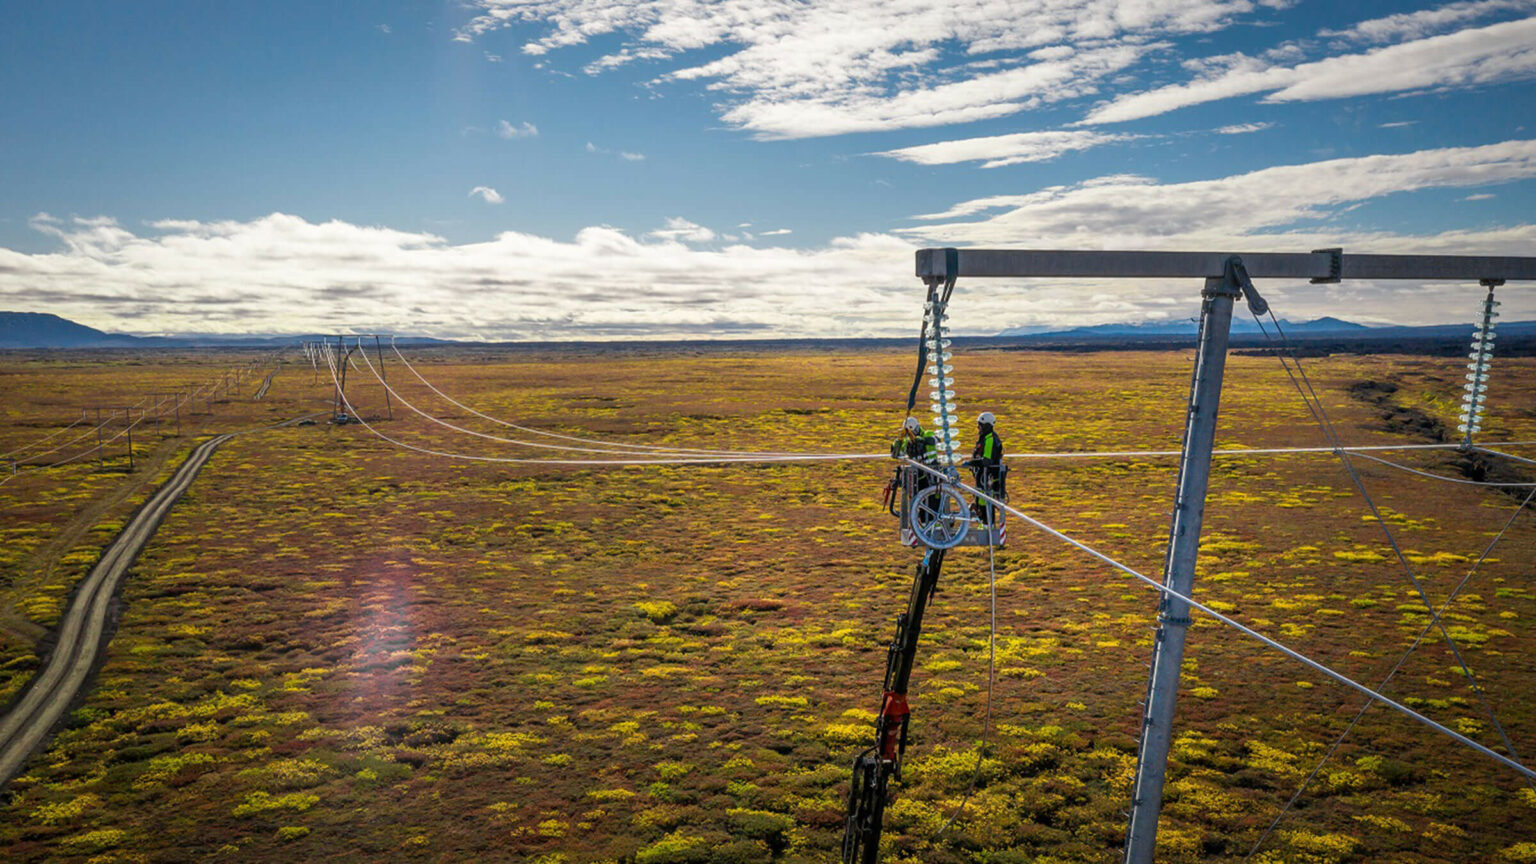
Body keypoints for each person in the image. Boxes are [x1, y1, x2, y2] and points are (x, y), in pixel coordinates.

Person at [965, 411, 1005, 522]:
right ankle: (983, 524)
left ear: (987, 425)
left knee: (984, 502)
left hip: (987, 478)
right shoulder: (985, 438)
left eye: (980, 425)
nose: (978, 428)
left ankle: (987, 527)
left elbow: (987, 461)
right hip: (982, 477)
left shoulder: (990, 439)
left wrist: (971, 463)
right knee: (980, 501)